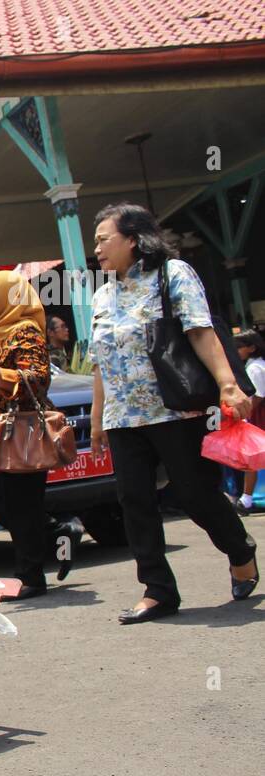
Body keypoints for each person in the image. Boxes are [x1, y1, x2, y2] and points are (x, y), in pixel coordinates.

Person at [89, 202, 257, 624]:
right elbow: (99, 362)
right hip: (124, 418)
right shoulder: (102, 295)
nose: (97, 250)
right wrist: (97, 418)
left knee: (195, 494)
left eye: (104, 239)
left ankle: (240, 550)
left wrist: (227, 384)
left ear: (133, 238)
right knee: (135, 502)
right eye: (95, 242)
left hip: (175, 411)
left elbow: (199, 331)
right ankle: (158, 590)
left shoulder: (172, 275)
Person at [0, 271, 83, 599]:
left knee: (22, 505)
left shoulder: (24, 330)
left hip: (22, 432)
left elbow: (38, 378)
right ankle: (60, 531)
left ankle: (30, 577)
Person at [233, 330, 265, 514]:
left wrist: (244, 416)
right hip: (257, 417)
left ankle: (246, 499)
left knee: (251, 460)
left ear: (251, 348)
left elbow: (258, 396)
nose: (236, 351)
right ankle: (246, 499)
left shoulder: (254, 368)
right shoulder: (257, 365)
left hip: (258, 418)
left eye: (239, 347)